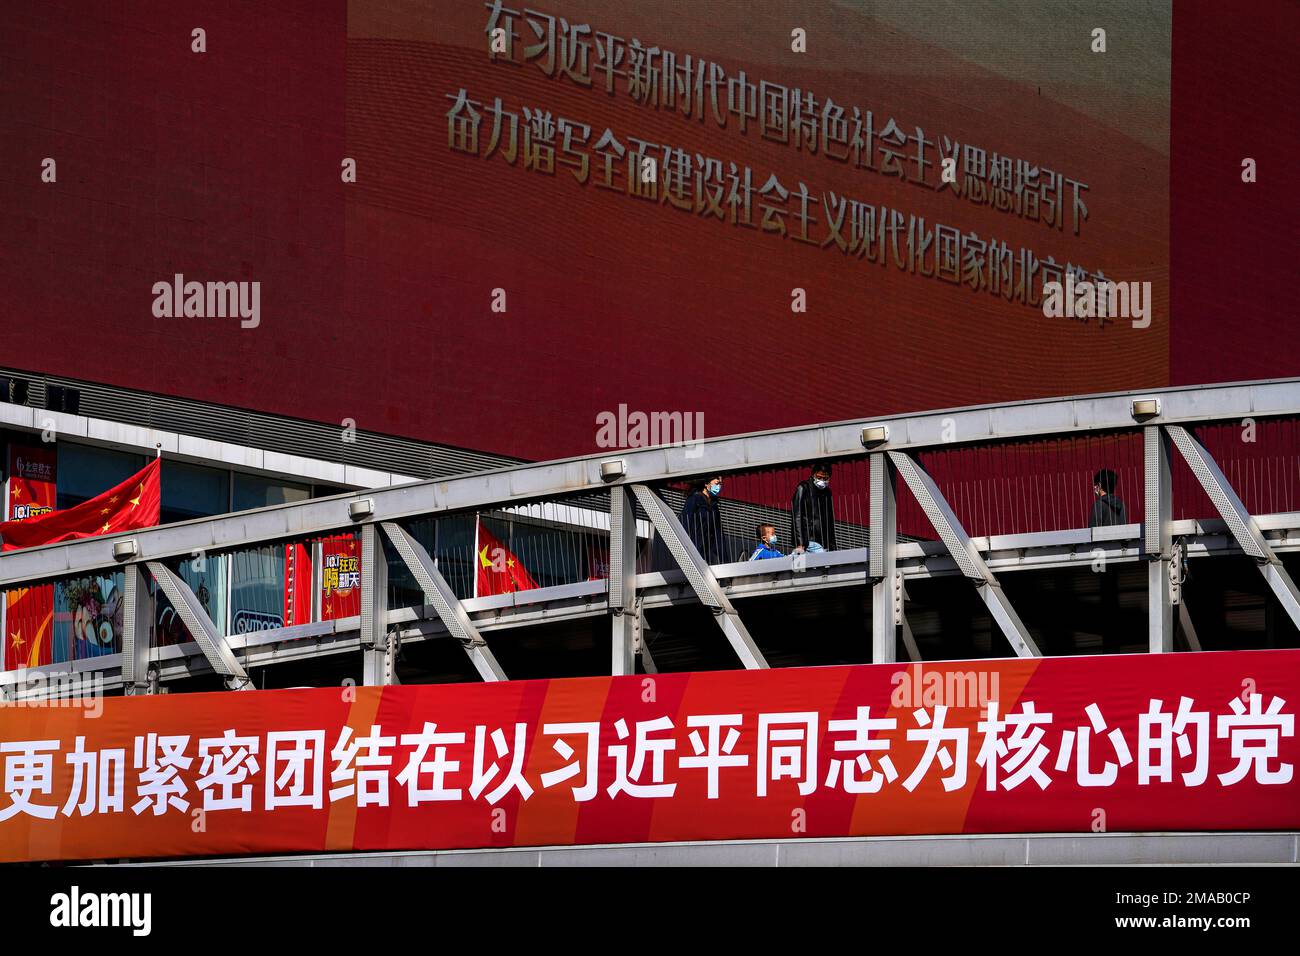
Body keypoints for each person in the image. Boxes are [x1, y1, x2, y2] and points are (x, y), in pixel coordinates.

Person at [791, 462, 836, 553]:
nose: (822, 480)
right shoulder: (803, 488)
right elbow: (797, 517)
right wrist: (800, 543)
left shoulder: (827, 492)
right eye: (819, 477)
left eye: (825, 478)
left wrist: (832, 545)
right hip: (808, 541)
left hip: (824, 541)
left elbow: (830, 520)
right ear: (813, 474)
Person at [680, 474, 725, 564]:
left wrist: (723, 557)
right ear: (706, 483)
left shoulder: (714, 505)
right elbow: (685, 523)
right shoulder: (694, 499)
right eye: (717, 483)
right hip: (694, 547)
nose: (719, 487)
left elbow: (718, 531)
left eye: (721, 484)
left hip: (709, 551)